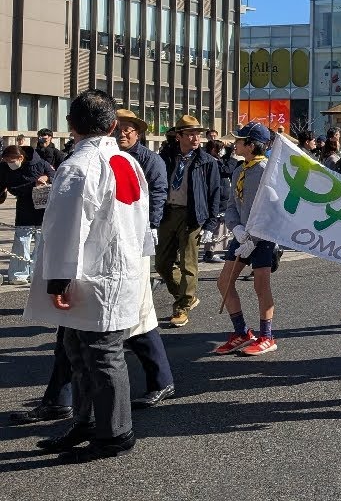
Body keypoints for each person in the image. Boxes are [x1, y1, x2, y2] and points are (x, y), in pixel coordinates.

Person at [24, 89, 149, 463]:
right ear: (112, 125)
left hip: (91, 272)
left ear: (71, 126)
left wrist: (58, 277)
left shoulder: (81, 165)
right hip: (115, 268)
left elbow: (65, 225)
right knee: (79, 351)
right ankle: (86, 420)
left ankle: (114, 433)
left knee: (101, 354)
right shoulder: (126, 161)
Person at [113, 110, 177, 408]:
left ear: (138, 133)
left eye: (128, 129)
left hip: (137, 235)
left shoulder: (150, 160)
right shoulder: (109, 155)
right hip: (114, 237)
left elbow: (159, 192)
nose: (122, 134)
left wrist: (151, 226)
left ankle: (161, 380)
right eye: (119, 129)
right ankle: (61, 396)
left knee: (138, 310)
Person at [213, 122, 280, 357]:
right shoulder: (239, 170)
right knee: (224, 282)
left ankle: (267, 335)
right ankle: (242, 332)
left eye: (239, 141)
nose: (235, 144)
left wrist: (255, 235)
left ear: (251, 145)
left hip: (263, 238)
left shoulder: (267, 171)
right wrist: (237, 228)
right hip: (242, 236)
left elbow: (273, 209)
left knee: (261, 285)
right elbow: (232, 205)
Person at [156, 115, 222, 328]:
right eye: (191, 134)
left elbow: (215, 193)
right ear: (179, 136)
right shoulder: (167, 157)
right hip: (168, 213)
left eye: (198, 134)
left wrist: (211, 224)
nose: (196, 138)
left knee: (188, 264)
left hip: (192, 215)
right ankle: (186, 296)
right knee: (162, 264)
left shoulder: (207, 162)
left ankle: (182, 307)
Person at [0, 144, 53, 285]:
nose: (8, 163)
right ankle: (19, 274)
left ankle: (37, 273)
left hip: (43, 209)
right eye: (6, 160)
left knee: (41, 244)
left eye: (11, 160)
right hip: (24, 209)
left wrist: (46, 178)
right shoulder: (4, 168)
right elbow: (5, 186)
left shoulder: (41, 163)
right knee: (21, 242)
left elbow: (56, 177)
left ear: (20, 157)